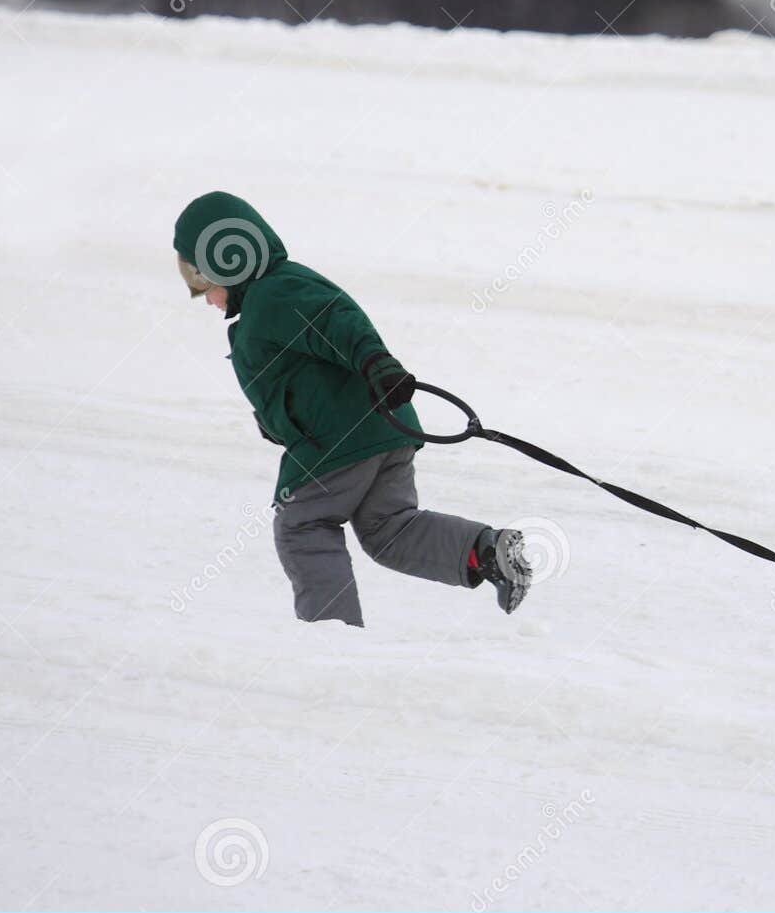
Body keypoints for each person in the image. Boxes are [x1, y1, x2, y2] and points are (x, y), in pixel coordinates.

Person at [172, 190, 531, 626]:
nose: (206, 298)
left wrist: (377, 363)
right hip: (385, 431)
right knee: (389, 529)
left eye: (204, 284)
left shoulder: (273, 293)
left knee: (301, 526)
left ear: (228, 261)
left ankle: (331, 637)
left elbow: (335, 320)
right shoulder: (274, 296)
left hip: (341, 442)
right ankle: (486, 551)